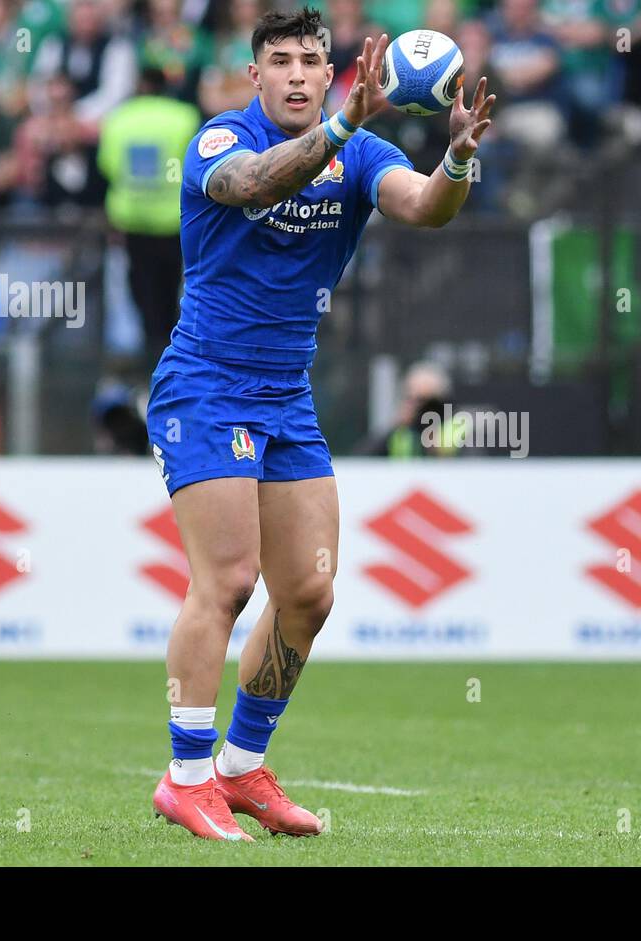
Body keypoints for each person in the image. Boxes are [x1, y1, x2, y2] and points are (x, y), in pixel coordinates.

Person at [144, 6, 494, 842]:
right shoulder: (218, 142)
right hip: (205, 386)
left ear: (329, 69)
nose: (298, 74)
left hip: (285, 396)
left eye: (312, 60)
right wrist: (344, 121)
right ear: (254, 74)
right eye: (282, 61)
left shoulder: (363, 151)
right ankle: (184, 777)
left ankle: (239, 769)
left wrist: (457, 156)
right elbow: (259, 185)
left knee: (308, 591)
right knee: (226, 582)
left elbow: (422, 208)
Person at [97, 66, 200, 370]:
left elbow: (109, 166)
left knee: (141, 293)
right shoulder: (184, 117)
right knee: (171, 295)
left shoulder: (118, 119)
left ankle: (151, 358)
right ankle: (168, 358)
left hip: (132, 223)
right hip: (172, 223)